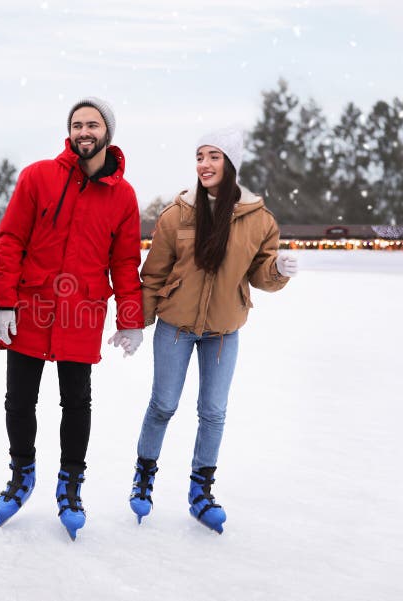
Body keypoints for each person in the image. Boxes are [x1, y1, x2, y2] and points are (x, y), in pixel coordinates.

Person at [129, 126, 298, 534]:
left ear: (231, 163)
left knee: (213, 412)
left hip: (223, 331)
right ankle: (144, 478)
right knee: (163, 405)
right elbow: (153, 275)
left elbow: (260, 273)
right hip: (175, 326)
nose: (204, 164)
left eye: (214, 156)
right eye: (200, 156)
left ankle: (201, 493)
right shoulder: (178, 215)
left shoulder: (259, 219)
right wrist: (137, 323)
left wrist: (277, 271)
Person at [0, 97, 144, 540]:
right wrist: (2, 302)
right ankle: (22, 474)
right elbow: (11, 240)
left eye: (92, 124)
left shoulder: (123, 196)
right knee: (19, 400)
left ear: (107, 133)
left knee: (75, 403)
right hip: (31, 307)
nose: (83, 132)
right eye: (77, 124)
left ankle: (71, 484)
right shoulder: (38, 176)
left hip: (82, 313)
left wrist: (130, 318)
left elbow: (125, 262)